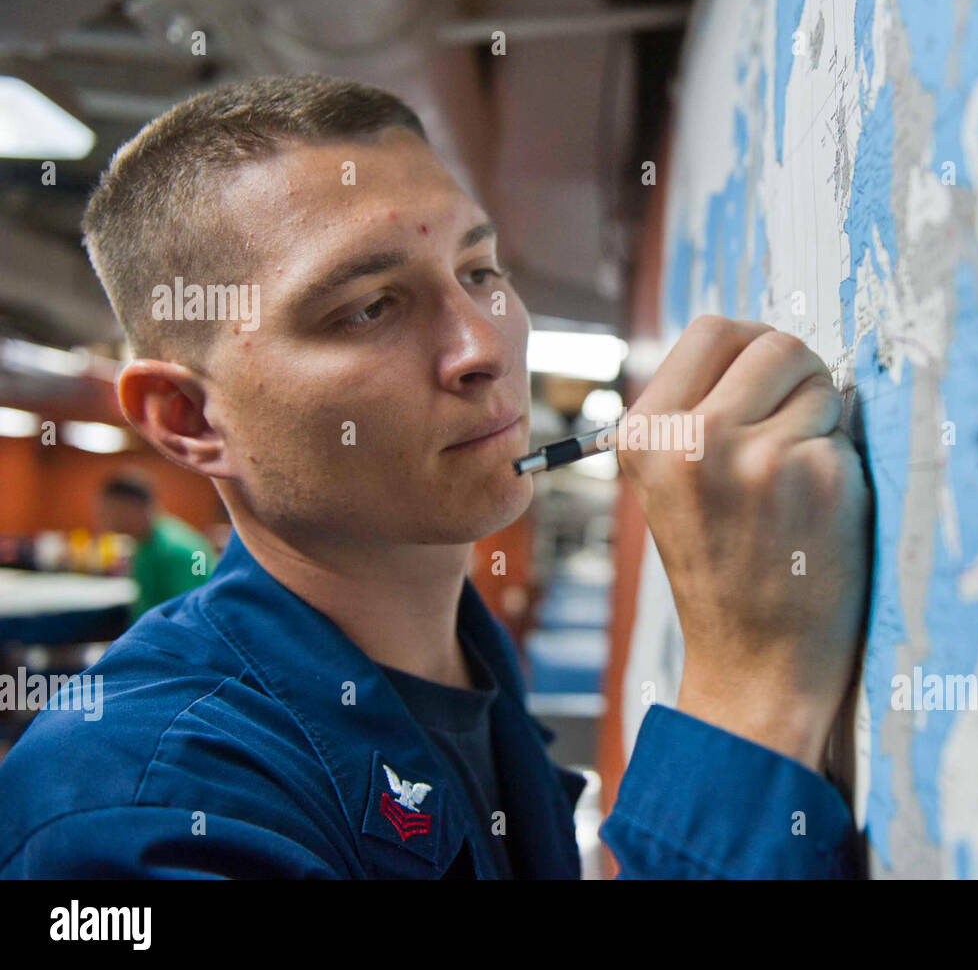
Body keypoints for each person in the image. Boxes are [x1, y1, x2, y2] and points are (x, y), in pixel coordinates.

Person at [0, 75, 869, 878]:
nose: (485, 347)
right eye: (369, 307)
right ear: (188, 419)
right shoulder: (130, 804)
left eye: (480, 271)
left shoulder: (461, 665)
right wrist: (746, 698)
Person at [98, 472, 215, 621]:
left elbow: (188, 615)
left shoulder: (176, 549)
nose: (103, 518)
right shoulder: (146, 541)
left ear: (134, 506)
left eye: (110, 510)